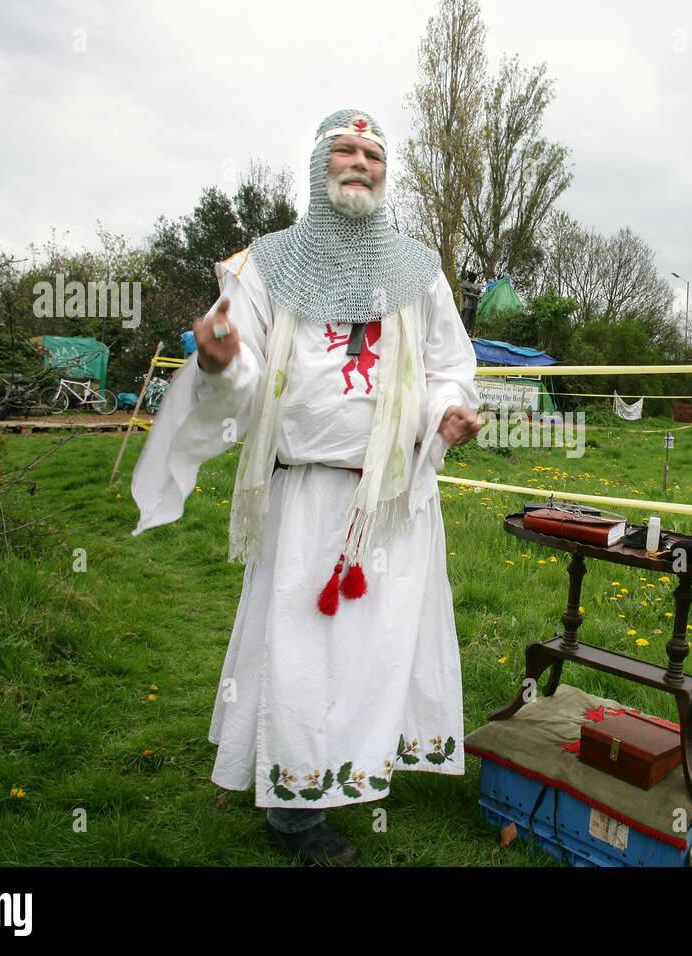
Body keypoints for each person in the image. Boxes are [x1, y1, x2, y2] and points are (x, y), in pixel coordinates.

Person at [130, 108, 482, 866]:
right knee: (305, 654)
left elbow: (447, 364)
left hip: (392, 498)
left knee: (380, 648)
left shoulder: (418, 270)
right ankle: (297, 814)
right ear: (321, 166)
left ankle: (360, 767)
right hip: (306, 500)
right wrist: (221, 361)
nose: (361, 163)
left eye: (374, 153)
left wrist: (448, 411)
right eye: (346, 151)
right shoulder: (266, 265)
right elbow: (248, 373)